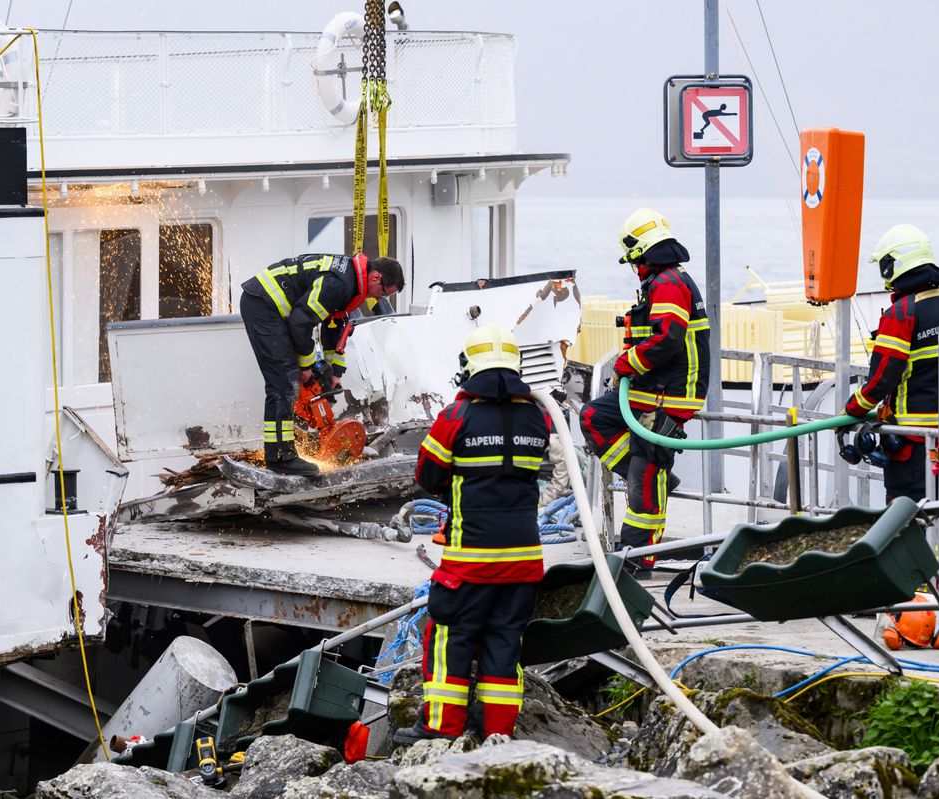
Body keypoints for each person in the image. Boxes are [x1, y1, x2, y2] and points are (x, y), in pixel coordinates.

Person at [393, 324, 549, 744]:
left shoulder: (457, 416)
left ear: (468, 366)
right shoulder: (539, 415)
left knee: (449, 639)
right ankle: (498, 732)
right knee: (504, 643)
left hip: (469, 563)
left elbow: (427, 475)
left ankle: (441, 729)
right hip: (523, 563)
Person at [579, 208, 710, 577]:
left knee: (643, 477)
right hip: (647, 390)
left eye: (634, 259)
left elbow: (667, 338)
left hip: (669, 396)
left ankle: (637, 560)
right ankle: (656, 474)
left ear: (642, 253)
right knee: (593, 418)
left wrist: (627, 363)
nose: (634, 267)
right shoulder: (663, 281)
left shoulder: (668, 283)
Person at [240, 253, 404, 475]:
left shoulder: (353, 284)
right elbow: (300, 321)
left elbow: (333, 326)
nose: (380, 299)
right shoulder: (339, 284)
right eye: (384, 294)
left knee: (294, 379)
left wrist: (334, 373)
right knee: (284, 382)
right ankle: (280, 458)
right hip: (263, 304)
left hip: (278, 311)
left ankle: (285, 446)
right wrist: (307, 367)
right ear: (375, 278)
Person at [843, 224, 939, 502]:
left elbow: (882, 379)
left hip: (912, 441)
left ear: (893, 265)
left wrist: (853, 408)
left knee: (905, 516)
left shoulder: (901, 313)